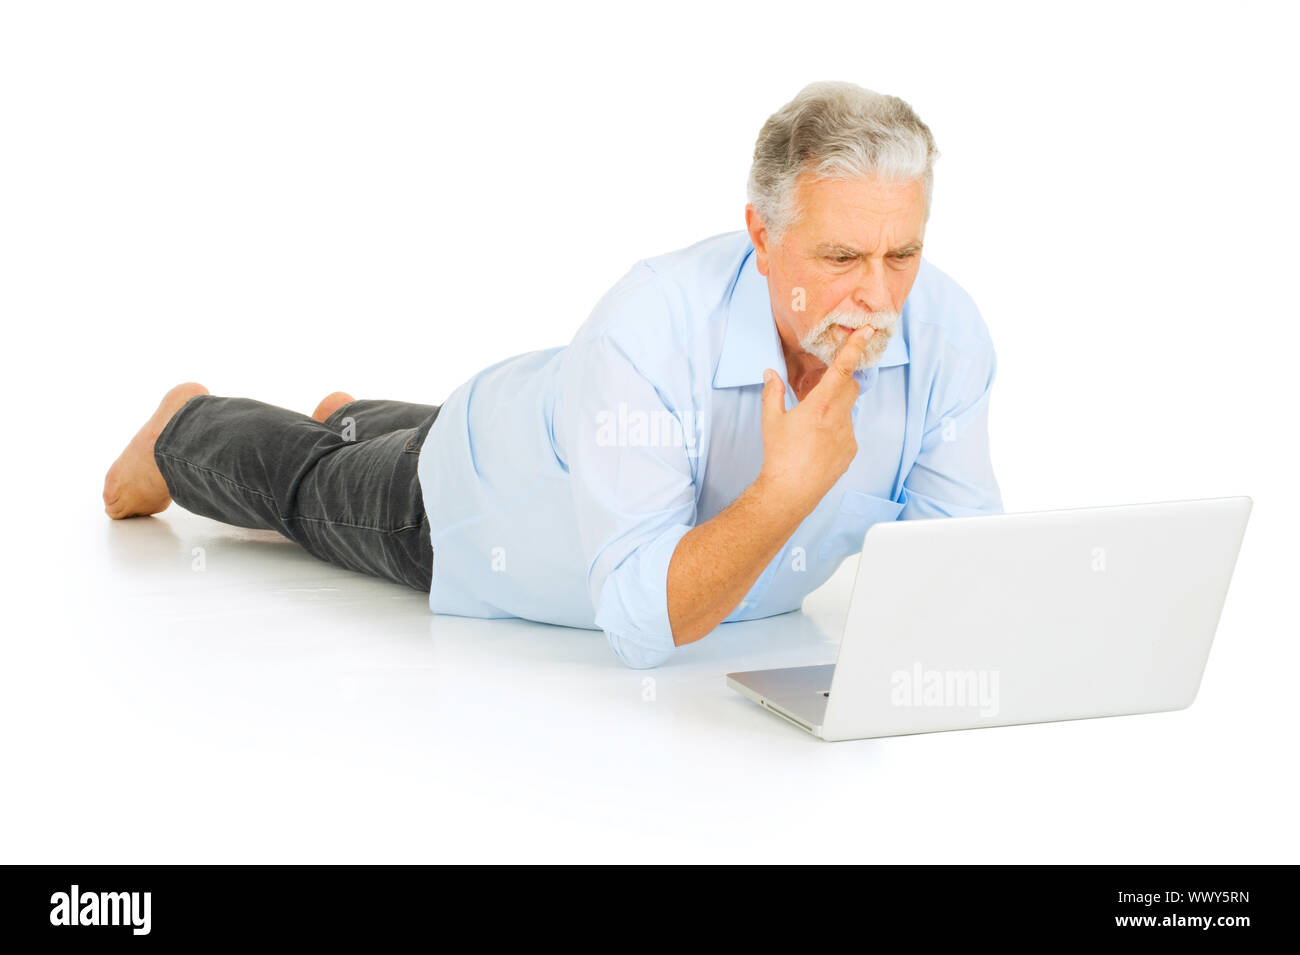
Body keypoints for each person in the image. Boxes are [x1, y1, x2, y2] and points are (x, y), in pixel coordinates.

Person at [103, 80, 1004, 668]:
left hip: (563, 417)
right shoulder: (648, 328)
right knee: (310, 488)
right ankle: (185, 427)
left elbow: (959, 569)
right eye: (843, 255)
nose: (878, 295)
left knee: (369, 432)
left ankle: (353, 413)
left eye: (904, 253)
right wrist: (783, 493)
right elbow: (640, 625)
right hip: (477, 490)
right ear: (760, 236)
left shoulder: (948, 332)